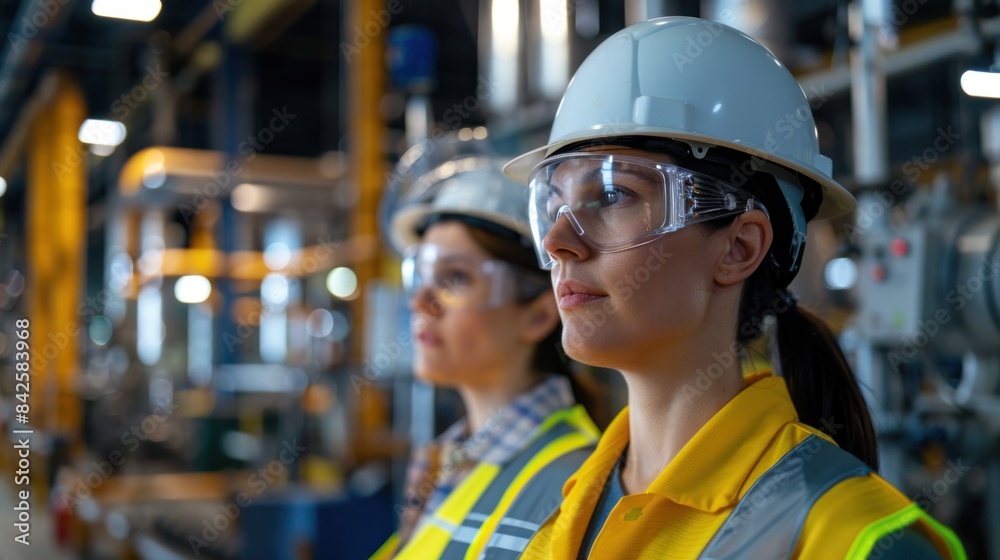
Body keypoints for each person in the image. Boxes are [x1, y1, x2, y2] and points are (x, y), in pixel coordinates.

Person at [501, 17, 967, 560]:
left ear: (740, 247)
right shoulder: (571, 513)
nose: (559, 241)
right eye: (554, 205)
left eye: (612, 195)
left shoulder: (852, 538)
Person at [370, 139, 601, 560]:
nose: (421, 302)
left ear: (537, 315)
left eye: (455, 278)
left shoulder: (576, 482)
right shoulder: (449, 461)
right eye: (418, 275)